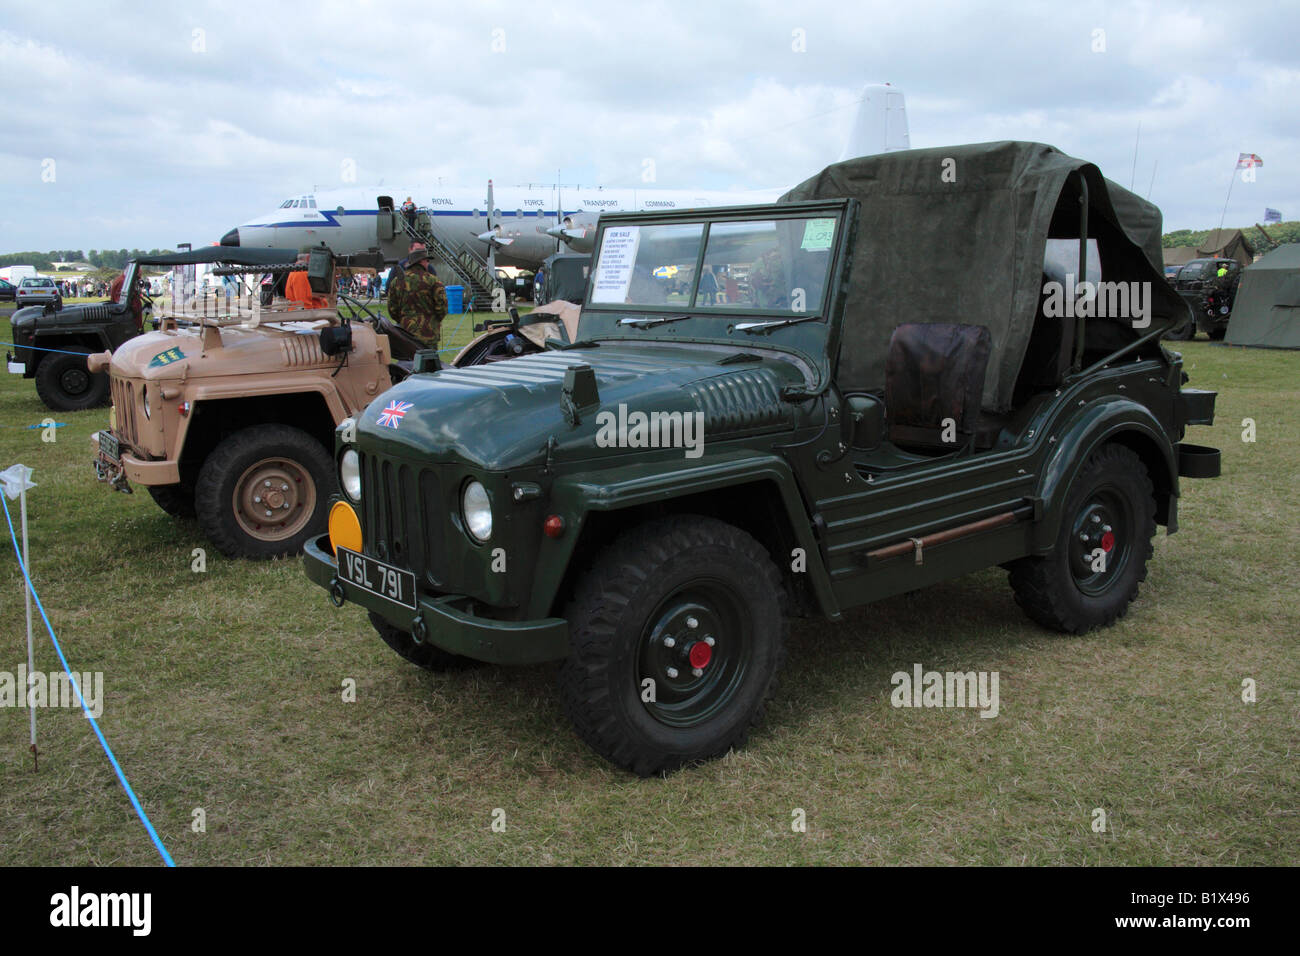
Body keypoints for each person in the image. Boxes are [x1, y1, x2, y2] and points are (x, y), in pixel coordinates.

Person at [386, 242, 447, 349]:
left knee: (407, 359)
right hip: (429, 334)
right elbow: (442, 307)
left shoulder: (397, 281)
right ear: (421, 261)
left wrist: (403, 320)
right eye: (427, 260)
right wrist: (433, 321)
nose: (428, 263)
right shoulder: (433, 281)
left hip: (405, 333)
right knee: (429, 359)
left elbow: (392, 309)